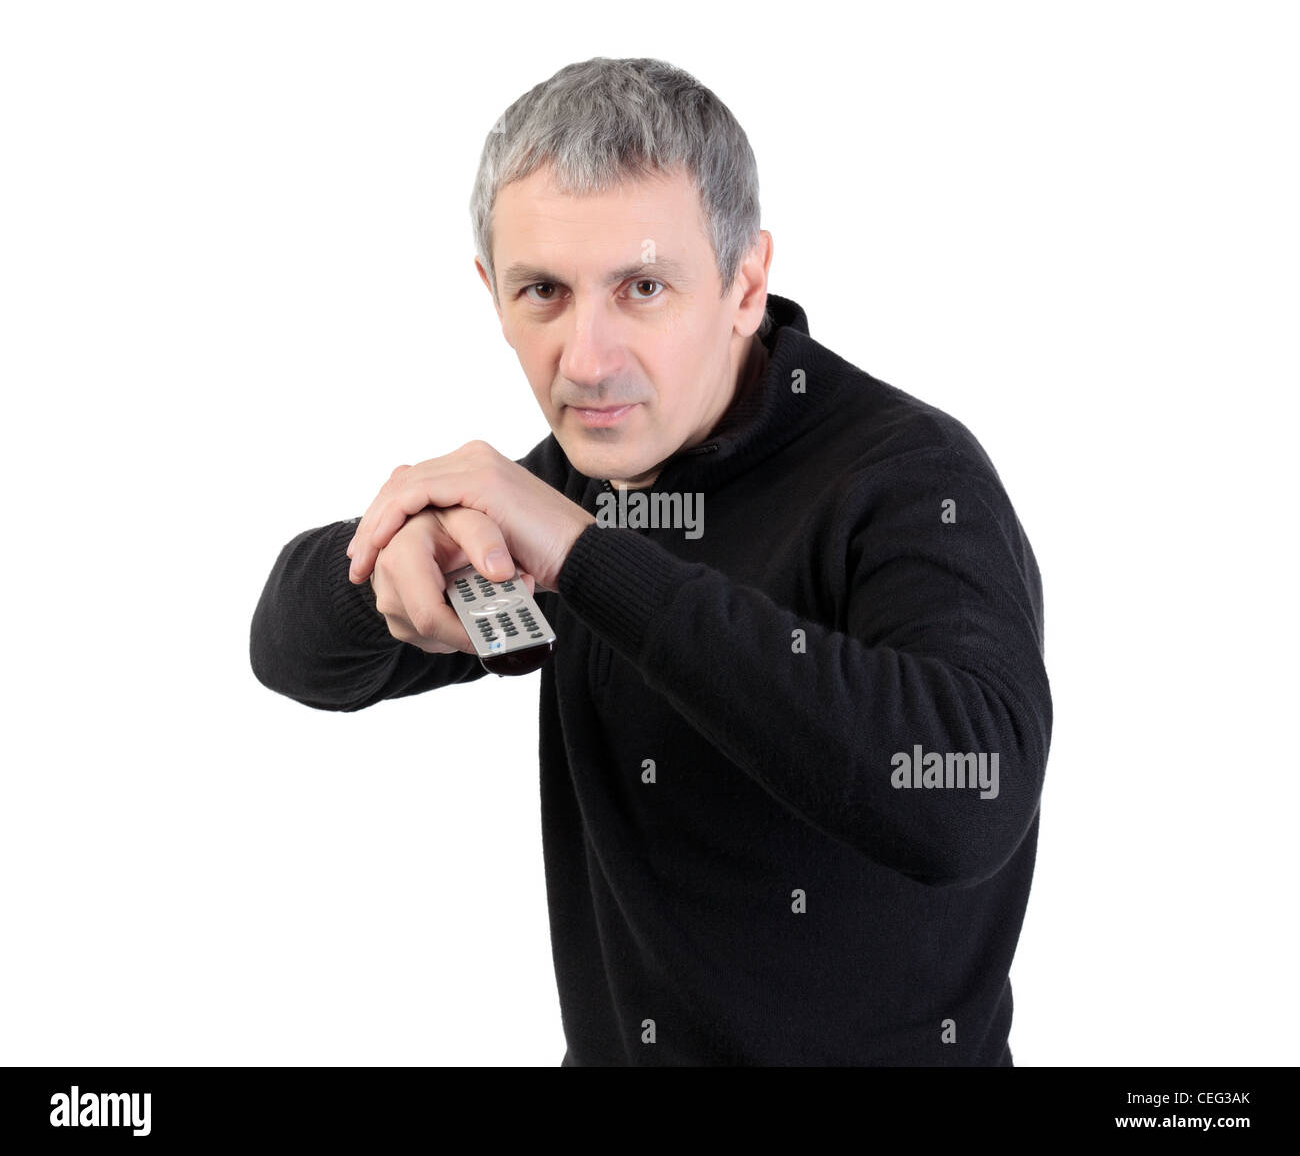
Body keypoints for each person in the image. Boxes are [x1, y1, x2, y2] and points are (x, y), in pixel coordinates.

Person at [250, 56, 1052, 1066]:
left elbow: (966, 796)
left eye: (641, 288)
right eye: (542, 290)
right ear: (490, 293)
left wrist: (588, 560)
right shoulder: (588, 475)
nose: (586, 358)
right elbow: (289, 652)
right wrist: (389, 556)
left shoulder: (906, 478)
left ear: (744, 284)